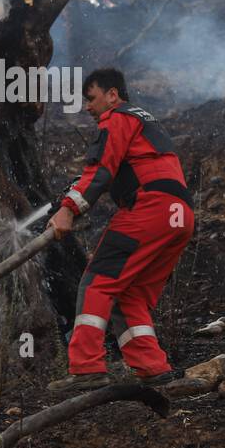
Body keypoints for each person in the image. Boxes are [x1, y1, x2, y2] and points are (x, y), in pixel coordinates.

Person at [46, 68, 195, 391]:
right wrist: (71, 195)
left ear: (112, 95)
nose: (87, 107)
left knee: (98, 282)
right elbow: (121, 171)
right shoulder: (145, 123)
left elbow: (100, 169)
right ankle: (153, 368)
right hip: (179, 216)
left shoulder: (116, 118)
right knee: (131, 294)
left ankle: (86, 368)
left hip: (150, 211)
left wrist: (68, 210)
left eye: (91, 98)